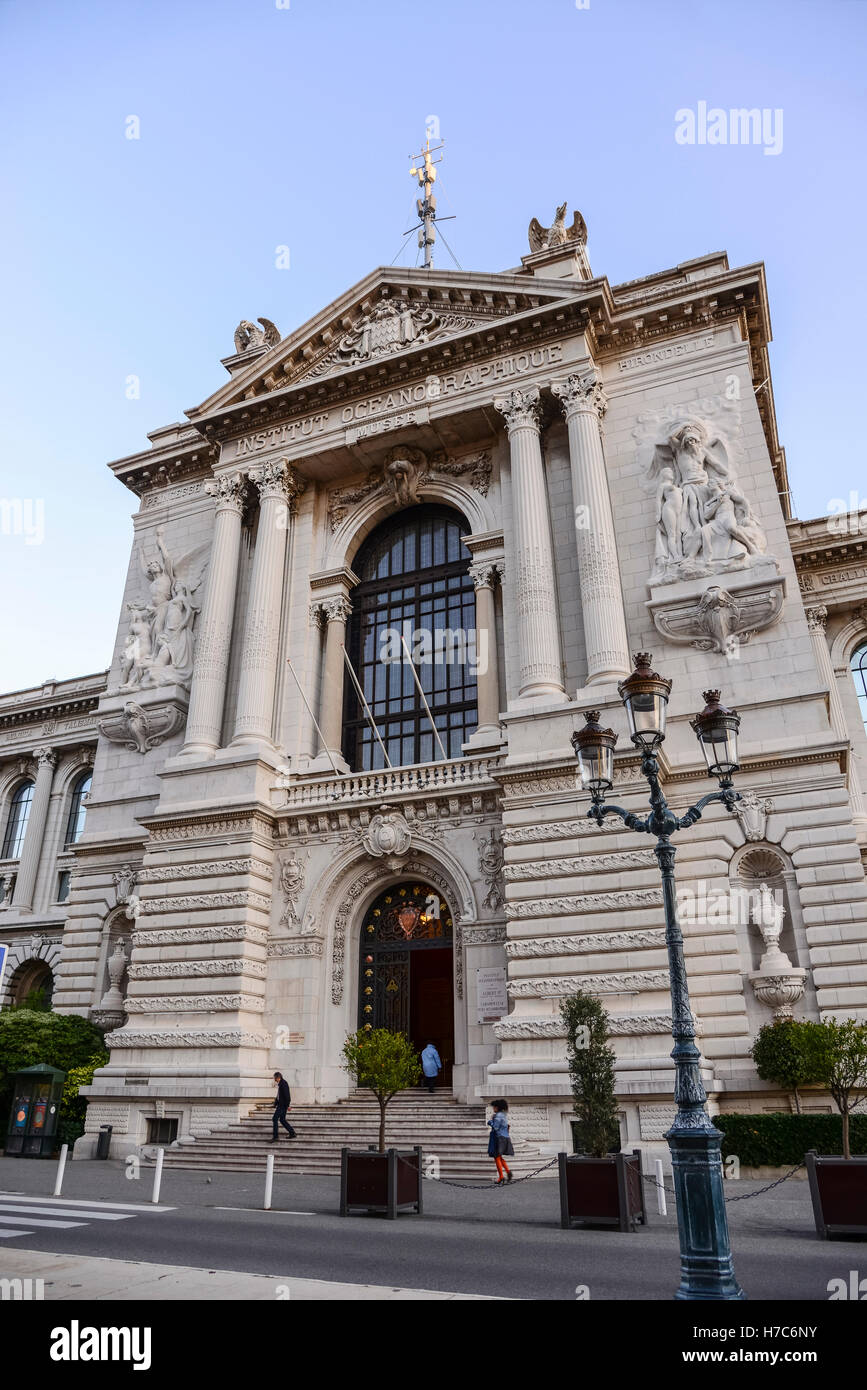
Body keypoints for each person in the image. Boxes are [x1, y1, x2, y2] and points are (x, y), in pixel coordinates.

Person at [487, 1099, 514, 1184]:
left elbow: (495, 1127)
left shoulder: (498, 1116)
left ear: (497, 1107)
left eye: (494, 1107)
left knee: (497, 1157)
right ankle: (508, 1172)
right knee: (499, 1157)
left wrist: (490, 1121)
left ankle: (501, 1177)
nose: (493, 1109)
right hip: (504, 1137)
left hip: (499, 1138)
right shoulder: (503, 1115)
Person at [270, 1071, 297, 1142]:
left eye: (275, 1078)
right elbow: (279, 1096)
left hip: (282, 1106)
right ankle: (292, 1133)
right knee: (282, 1119)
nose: (274, 1080)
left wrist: (287, 1105)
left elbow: (287, 1096)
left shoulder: (284, 1084)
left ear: (278, 1077)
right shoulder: (281, 1084)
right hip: (281, 1105)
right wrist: (275, 1103)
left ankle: (275, 1136)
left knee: (274, 1119)